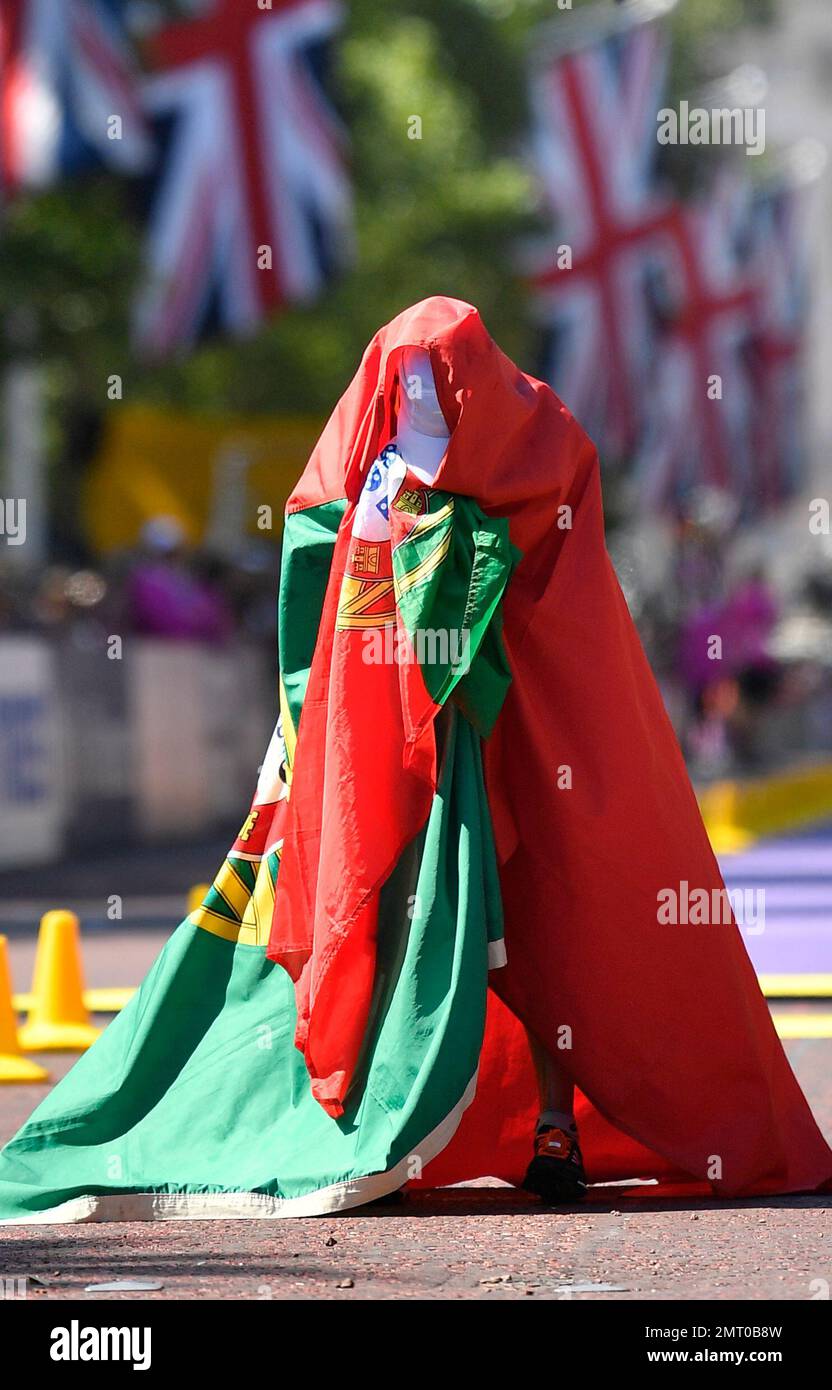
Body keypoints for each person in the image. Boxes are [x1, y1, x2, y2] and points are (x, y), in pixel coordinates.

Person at [0, 296, 829, 1225]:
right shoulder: (359, 461)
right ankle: (383, 1101)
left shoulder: (539, 435)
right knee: (390, 914)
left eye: (438, 374)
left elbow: (560, 574)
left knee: (556, 925)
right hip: (383, 747)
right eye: (401, 376)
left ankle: (554, 1125)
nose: (418, 389)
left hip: (520, 733)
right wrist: (317, 709)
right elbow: (317, 576)